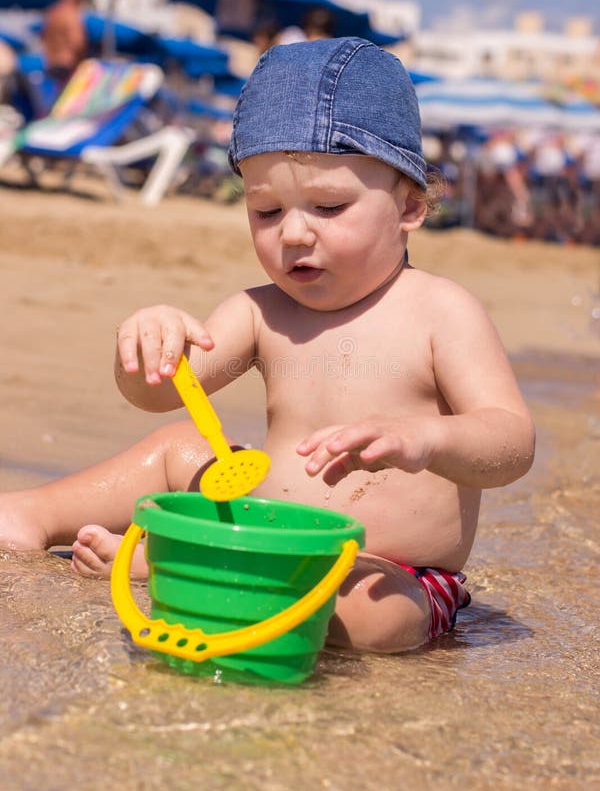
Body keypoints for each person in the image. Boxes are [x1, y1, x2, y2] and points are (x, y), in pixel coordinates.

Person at [0, 38, 535, 653]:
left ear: (410, 205)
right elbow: (159, 394)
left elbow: (510, 441)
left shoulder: (441, 311)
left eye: (329, 207)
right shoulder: (260, 310)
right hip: (256, 527)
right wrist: (149, 343)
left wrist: (429, 440)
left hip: (385, 569)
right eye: (266, 210)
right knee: (180, 446)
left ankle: (176, 561)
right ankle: (34, 513)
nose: (295, 233)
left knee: (382, 619)